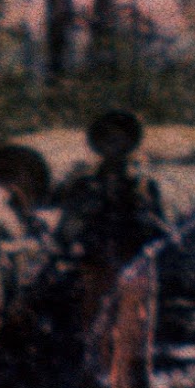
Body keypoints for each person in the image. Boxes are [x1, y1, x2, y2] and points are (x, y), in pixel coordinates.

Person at [54, 109, 169, 320]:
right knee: (95, 327)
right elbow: (66, 228)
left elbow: (160, 229)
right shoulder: (84, 184)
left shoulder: (143, 185)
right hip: (95, 266)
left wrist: (147, 222)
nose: (114, 144)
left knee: (132, 331)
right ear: (99, 144)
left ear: (129, 143)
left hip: (134, 265)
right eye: (108, 138)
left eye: (120, 138)